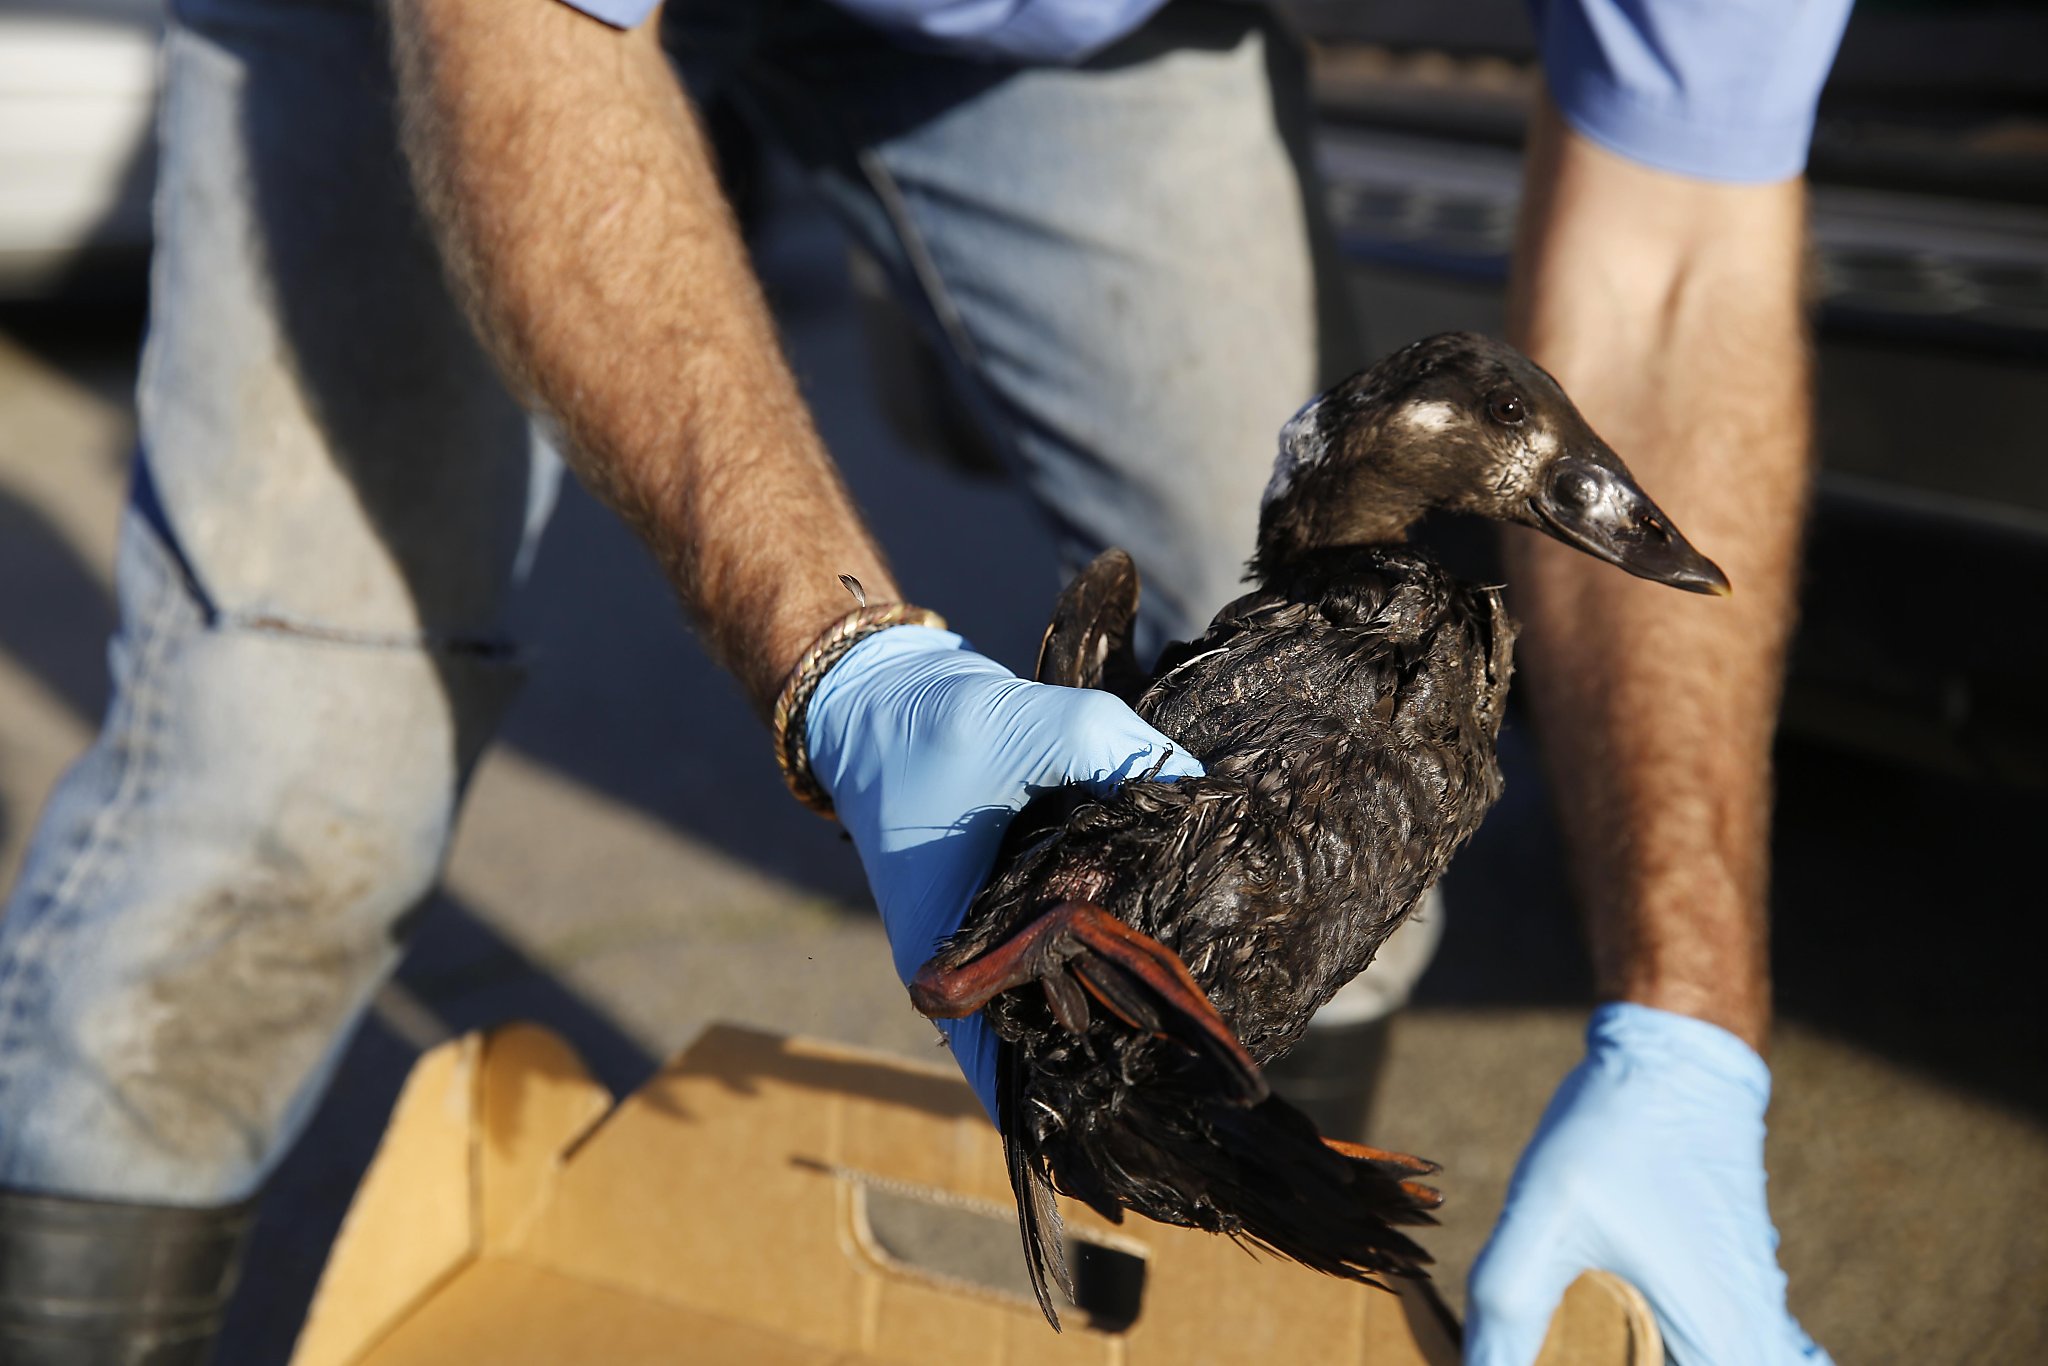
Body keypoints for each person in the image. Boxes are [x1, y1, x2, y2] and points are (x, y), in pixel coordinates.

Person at [0, 4, 1846, 1366]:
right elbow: (525, 48)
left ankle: (1198, 1301)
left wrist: (1688, 1027)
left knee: (1335, 817)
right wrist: (848, 671)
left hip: (1049, 39)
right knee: (283, 786)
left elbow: (1677, 250)